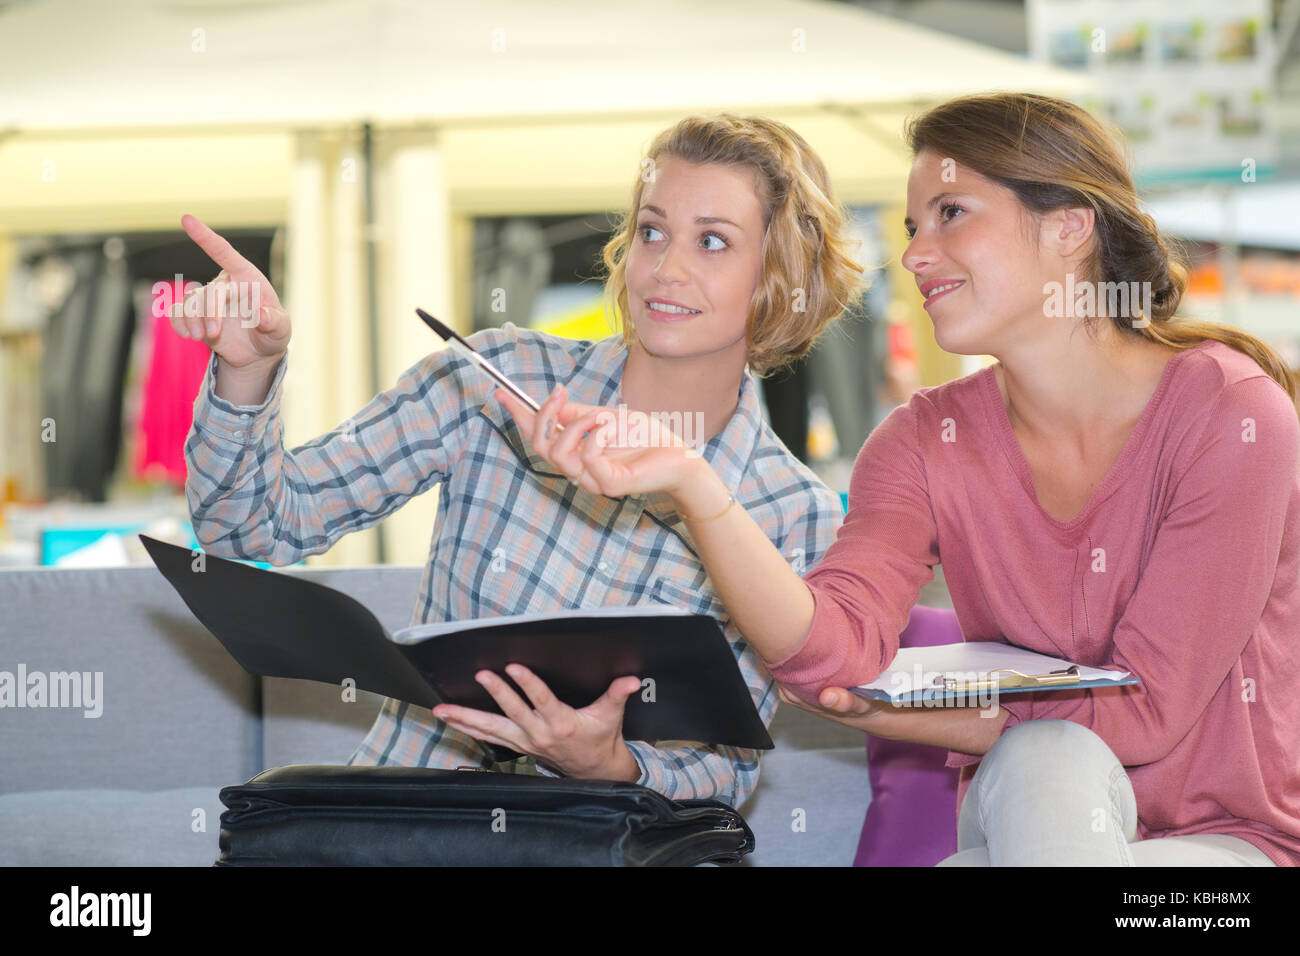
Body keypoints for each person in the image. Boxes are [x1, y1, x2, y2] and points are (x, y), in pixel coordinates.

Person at [500, 92, 1300, 864]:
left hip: (1232, 848)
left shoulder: (1231, 415)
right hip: (1028, 813)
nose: (915, 253)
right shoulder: (923, 439)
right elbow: (833, 650)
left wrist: (905, 713)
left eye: (952, 214)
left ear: (1068, 227)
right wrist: (695, 485)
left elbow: (1146, 712)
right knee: (1045, 757)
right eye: (915, 226)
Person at [174, 113, 863, 806]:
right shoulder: (498, 374)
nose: (666, 268)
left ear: (778, 276)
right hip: (403, 826)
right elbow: (251, 528)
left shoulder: (790, 512)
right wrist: (248, 372)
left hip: (597, 844)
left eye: (712, 241)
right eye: (652, 231)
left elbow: (728, 768)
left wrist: (611, 764)